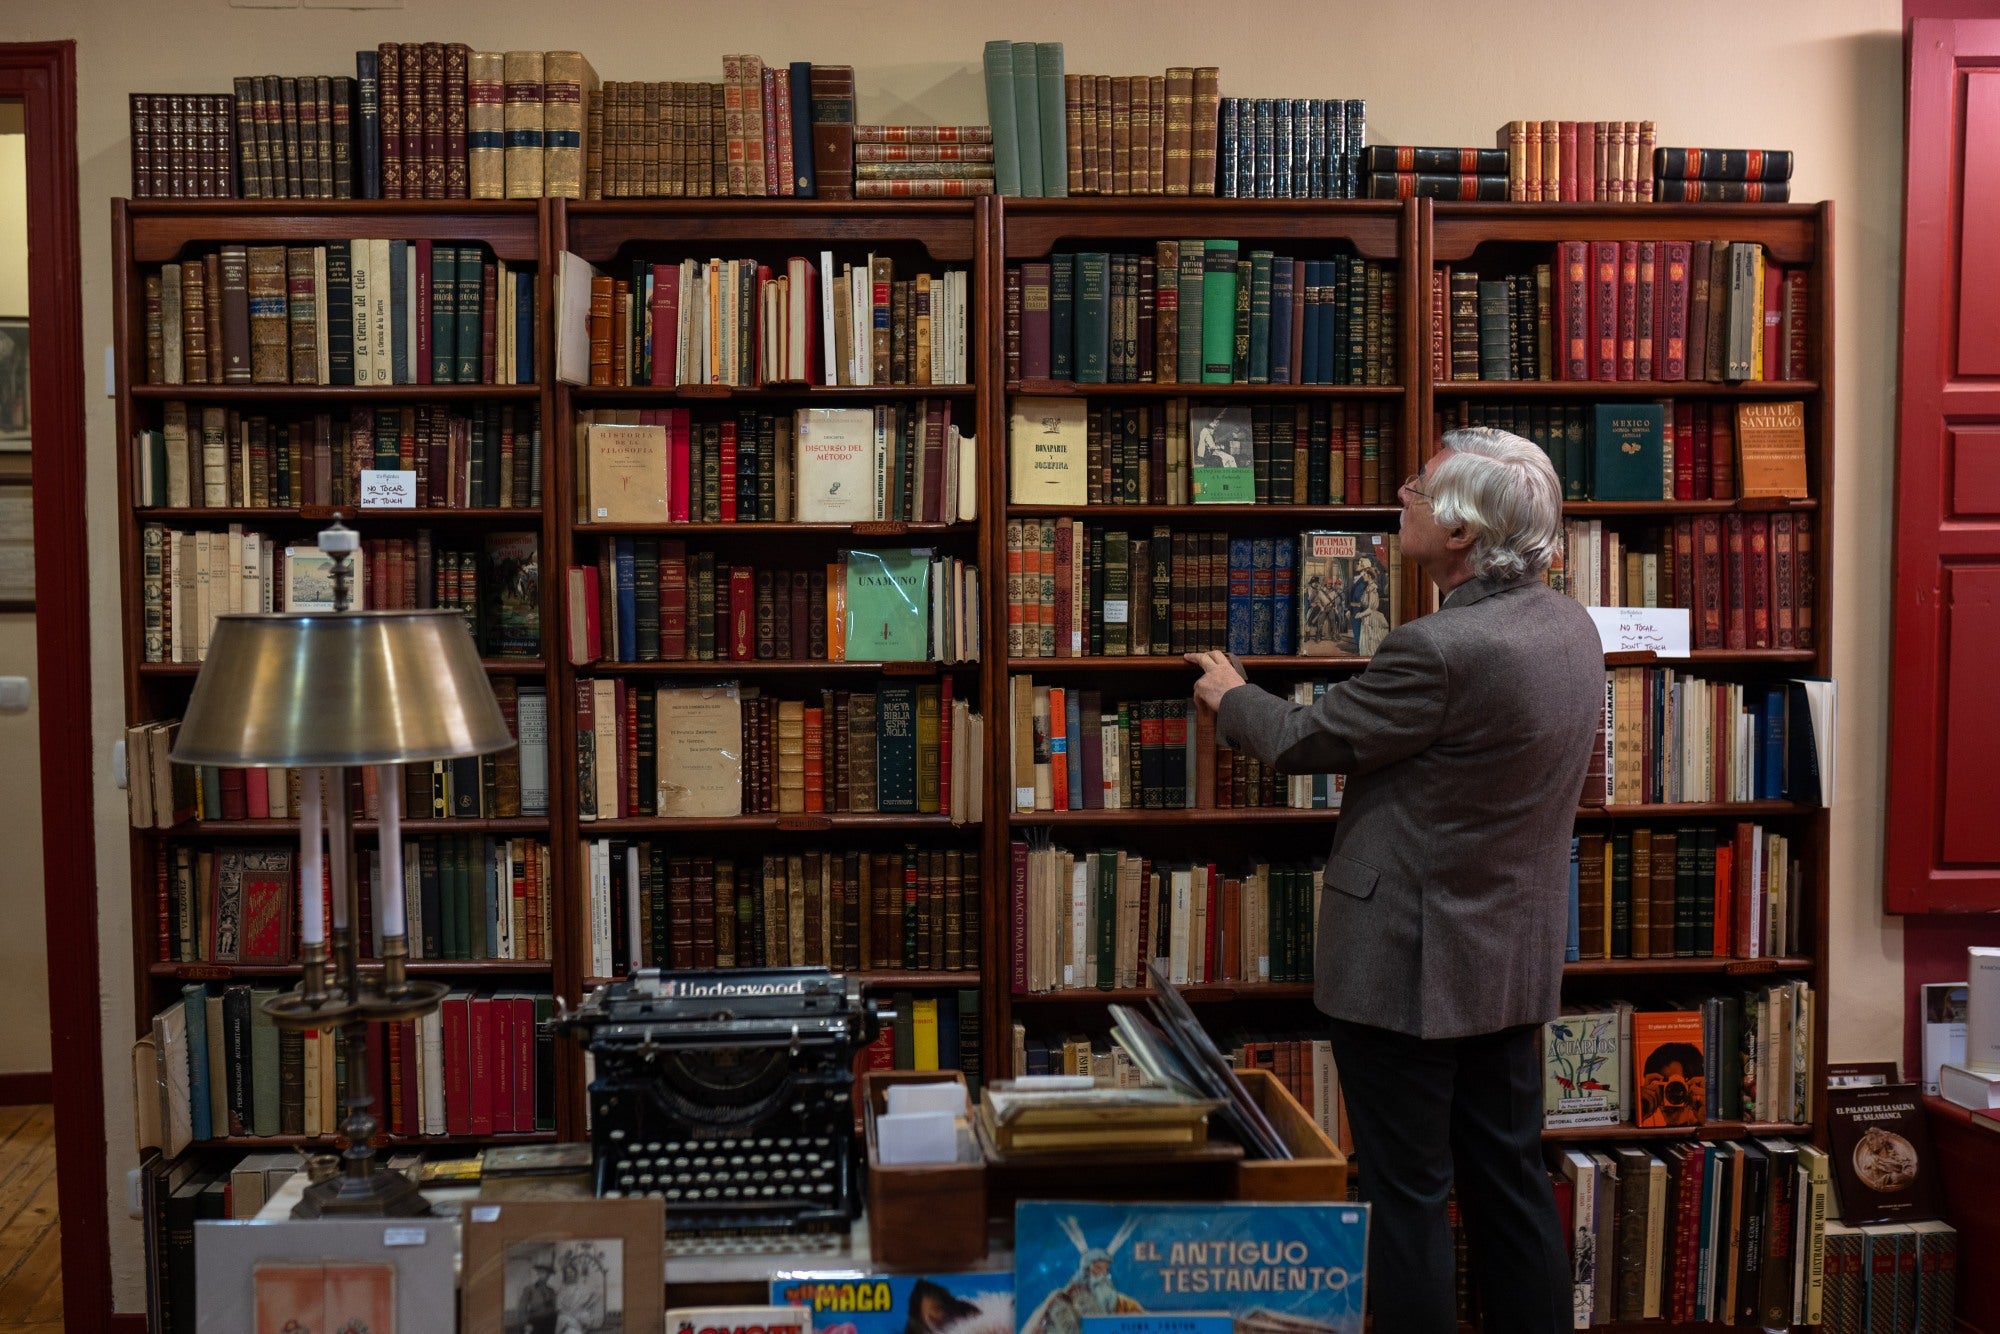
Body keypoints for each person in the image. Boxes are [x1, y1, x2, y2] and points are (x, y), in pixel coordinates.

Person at [1187, 427, 1603, 1334]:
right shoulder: (1570, 626)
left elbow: (1311, 741)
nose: (1403, 496)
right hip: (1507, 960)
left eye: (1421, 487)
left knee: (1405, 1200)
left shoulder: (1443, 650)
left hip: (1407, 966)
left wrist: (1231, 696)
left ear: (1462, 533)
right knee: (1510, 1187)